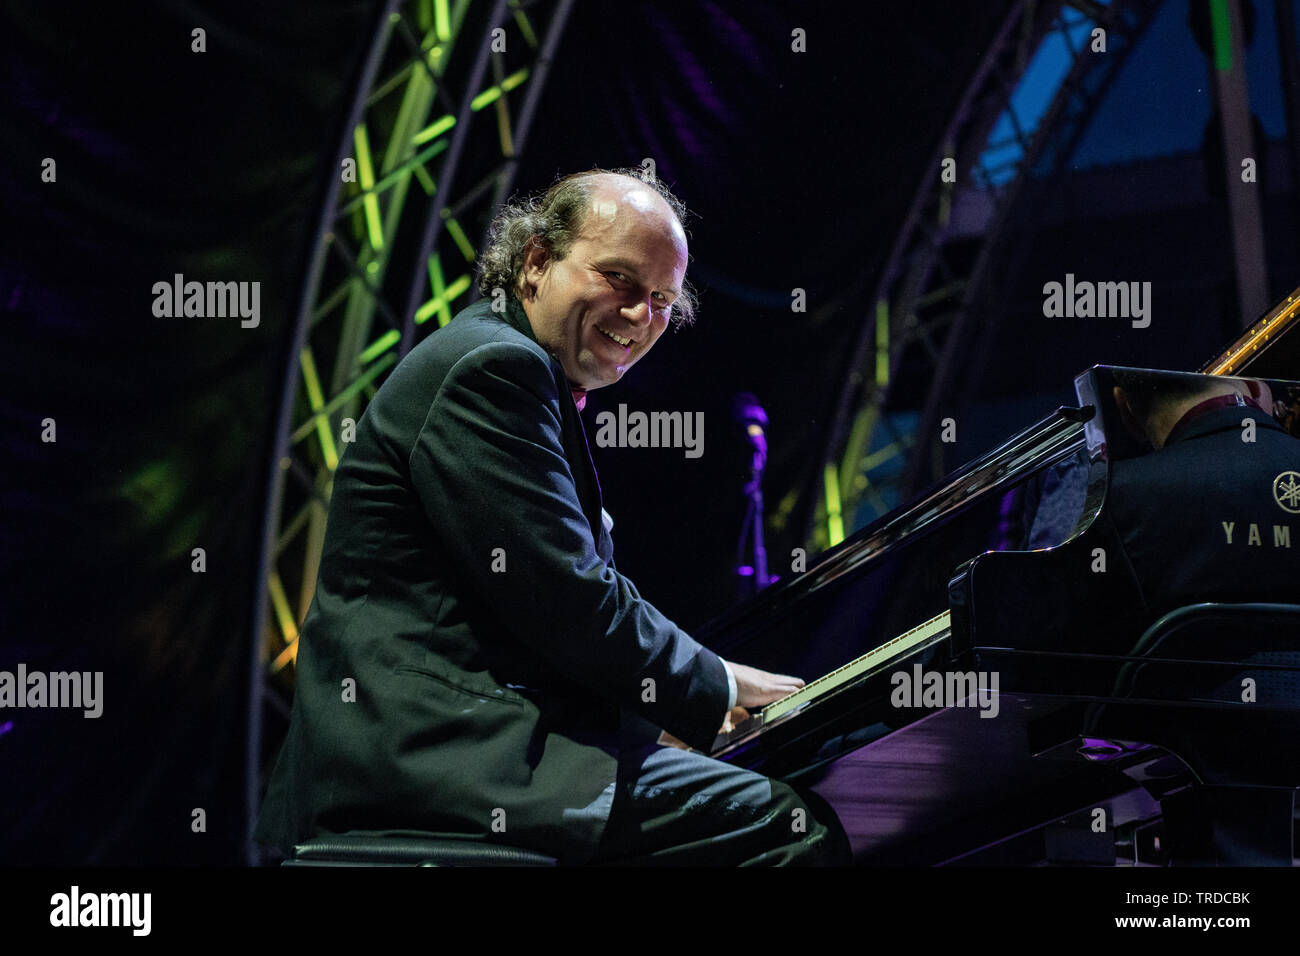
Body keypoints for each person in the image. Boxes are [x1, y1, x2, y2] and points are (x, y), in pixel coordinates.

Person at [254, 169, 851, 866]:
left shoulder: (512, 365)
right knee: (786, 828)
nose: (640, 317)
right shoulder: (493, 369)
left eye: (660, 299)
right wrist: (716, 682)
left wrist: (652, 717)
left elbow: (523, 624)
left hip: (454, 749)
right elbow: (566, 597)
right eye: (620, 280)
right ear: (536, 260)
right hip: (435, 763)